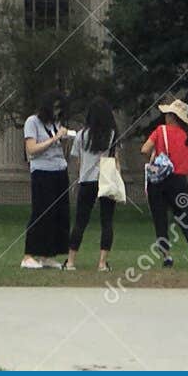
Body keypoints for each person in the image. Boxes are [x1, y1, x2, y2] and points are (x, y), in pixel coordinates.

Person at [141, 99, 188, 267]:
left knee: (160, 218)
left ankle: (167, 257)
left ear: (172, 117)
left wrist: (156, 159)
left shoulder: (160, 130)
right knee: (186, 218)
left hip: (159, 180)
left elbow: (144, 149)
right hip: (179, 181)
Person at [66, 98, 119, 273]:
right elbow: (114, 159)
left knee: (80, 221)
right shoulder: (112, 134)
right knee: (107, 222)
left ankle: (71, 261)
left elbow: (79, 160)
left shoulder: (81, 135)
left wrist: (79, 178)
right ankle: (102, 263)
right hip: (105, 179)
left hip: (86, 180)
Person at [21, 93, 71, 269]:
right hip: (42, 172)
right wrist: (55, 138)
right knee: (41, 212)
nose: (57, 112)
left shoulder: (56, 124)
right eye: (55, 108)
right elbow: (32, 149)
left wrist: (63, 139)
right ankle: (28, 255)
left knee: (58, 215)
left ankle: (47, 254)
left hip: (60, 170)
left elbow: (59, 148)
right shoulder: (32, 122)